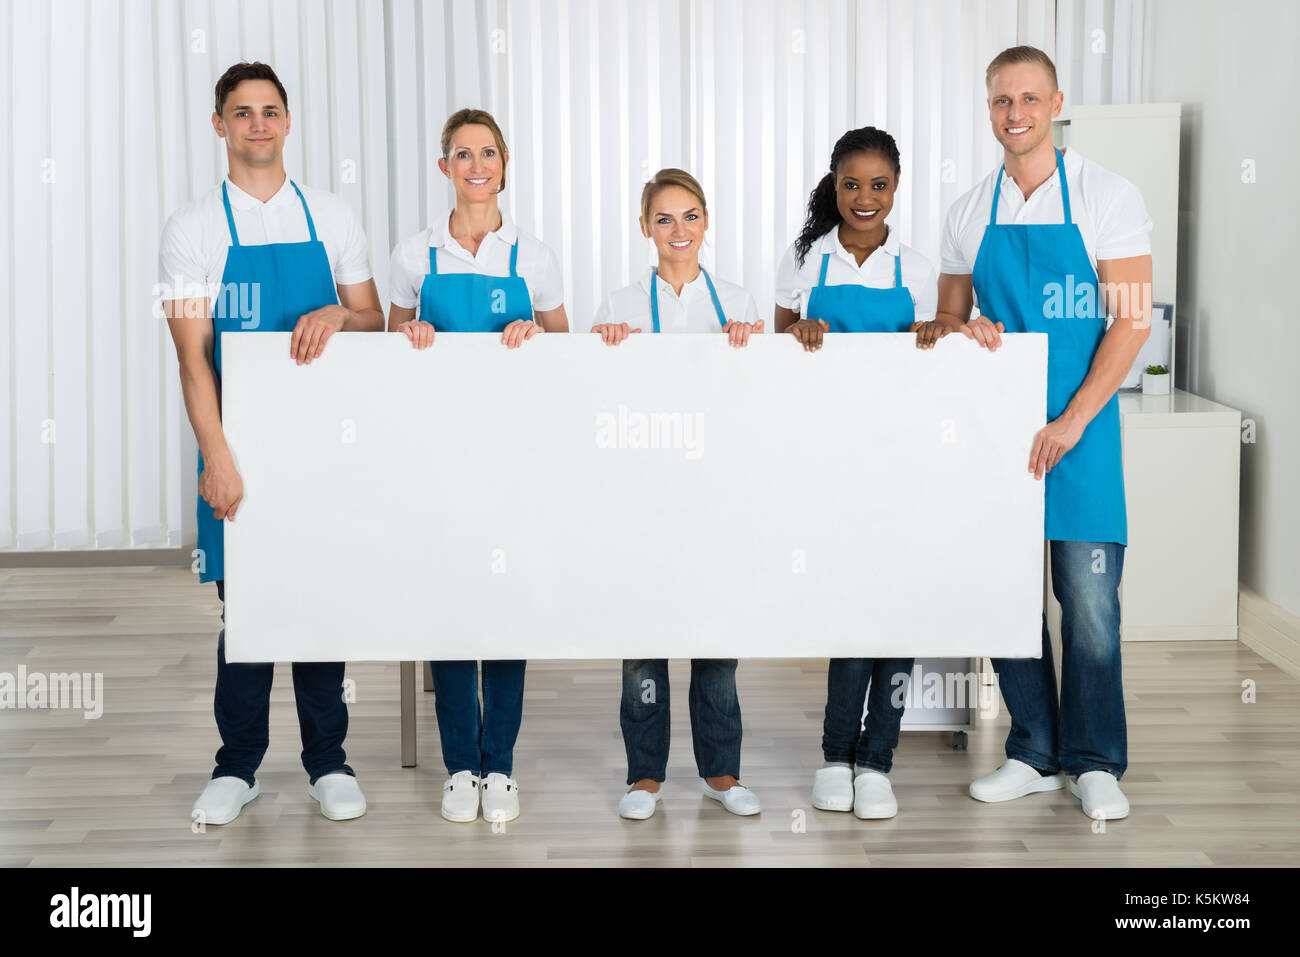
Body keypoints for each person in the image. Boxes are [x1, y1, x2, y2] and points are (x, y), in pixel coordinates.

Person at [160, 61, 383, 825]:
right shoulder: (190, 230)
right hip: (240, 451)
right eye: (242, 112)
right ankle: (237, 766)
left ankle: (329, 761)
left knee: (317, 601)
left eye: (270, 110)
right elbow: (192, 357)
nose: (258, 124)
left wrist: (336, 313)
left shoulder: (332, 216)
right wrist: (216, 457)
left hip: (326, 450)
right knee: (246, 608)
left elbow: (374, 322)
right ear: (219, 125)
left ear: (288, 121)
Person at [935, 46, 1153, 820]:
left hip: (1082, 427)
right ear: (988, 107)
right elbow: (947, 322)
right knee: (1003, 595)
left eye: (1029, 98)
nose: (1015, 114)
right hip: (998, 437)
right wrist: (968, 330)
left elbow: (1130, 320)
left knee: (1089, 602)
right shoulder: (968, 211)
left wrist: (1071, 418)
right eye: (1001, 101)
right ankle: (1034, 747)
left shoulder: (1110, 196)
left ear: (1056, 101)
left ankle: (1095, 760)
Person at [387, 108, 569, 825]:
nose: (475, 165)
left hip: (513, 461)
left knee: (504, 612)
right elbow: (386, 353)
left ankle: (502, 765)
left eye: (487, 152)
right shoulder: (413, 255)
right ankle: (460, 764)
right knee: (452, 610)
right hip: (437, 460)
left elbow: (569, 357)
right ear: (444, 168)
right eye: (461, 154)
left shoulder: (536, 257)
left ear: (505, 161)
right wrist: (410, 331)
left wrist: (534, 333)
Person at [774, 127, 940, 820]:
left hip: (902, 459)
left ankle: (878, 759)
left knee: (895, 610)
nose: (864, 197)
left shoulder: (921, 269)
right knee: (852, 611)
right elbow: (772, 346)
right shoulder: (806, 260)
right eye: (851, 184)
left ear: (896, 188)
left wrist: (934, 337)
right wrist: (798, 333)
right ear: (834, 186)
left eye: (878, 184)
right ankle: (835, 754)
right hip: (830, 460)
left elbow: (940, 366)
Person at [591, 168, 764, 820]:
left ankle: (721, 773)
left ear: (706, 221)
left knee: (716, 645)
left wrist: (750, 353)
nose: (678, 231)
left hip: (719, 495)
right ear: (644, 227)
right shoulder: (618, 306)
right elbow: (596, 403)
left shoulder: (739, 303)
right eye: (664, 219)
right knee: (644, 644)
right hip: (644, 495)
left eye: (690, 216)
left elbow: (757, 405)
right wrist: (604, 352)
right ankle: (644, 778)